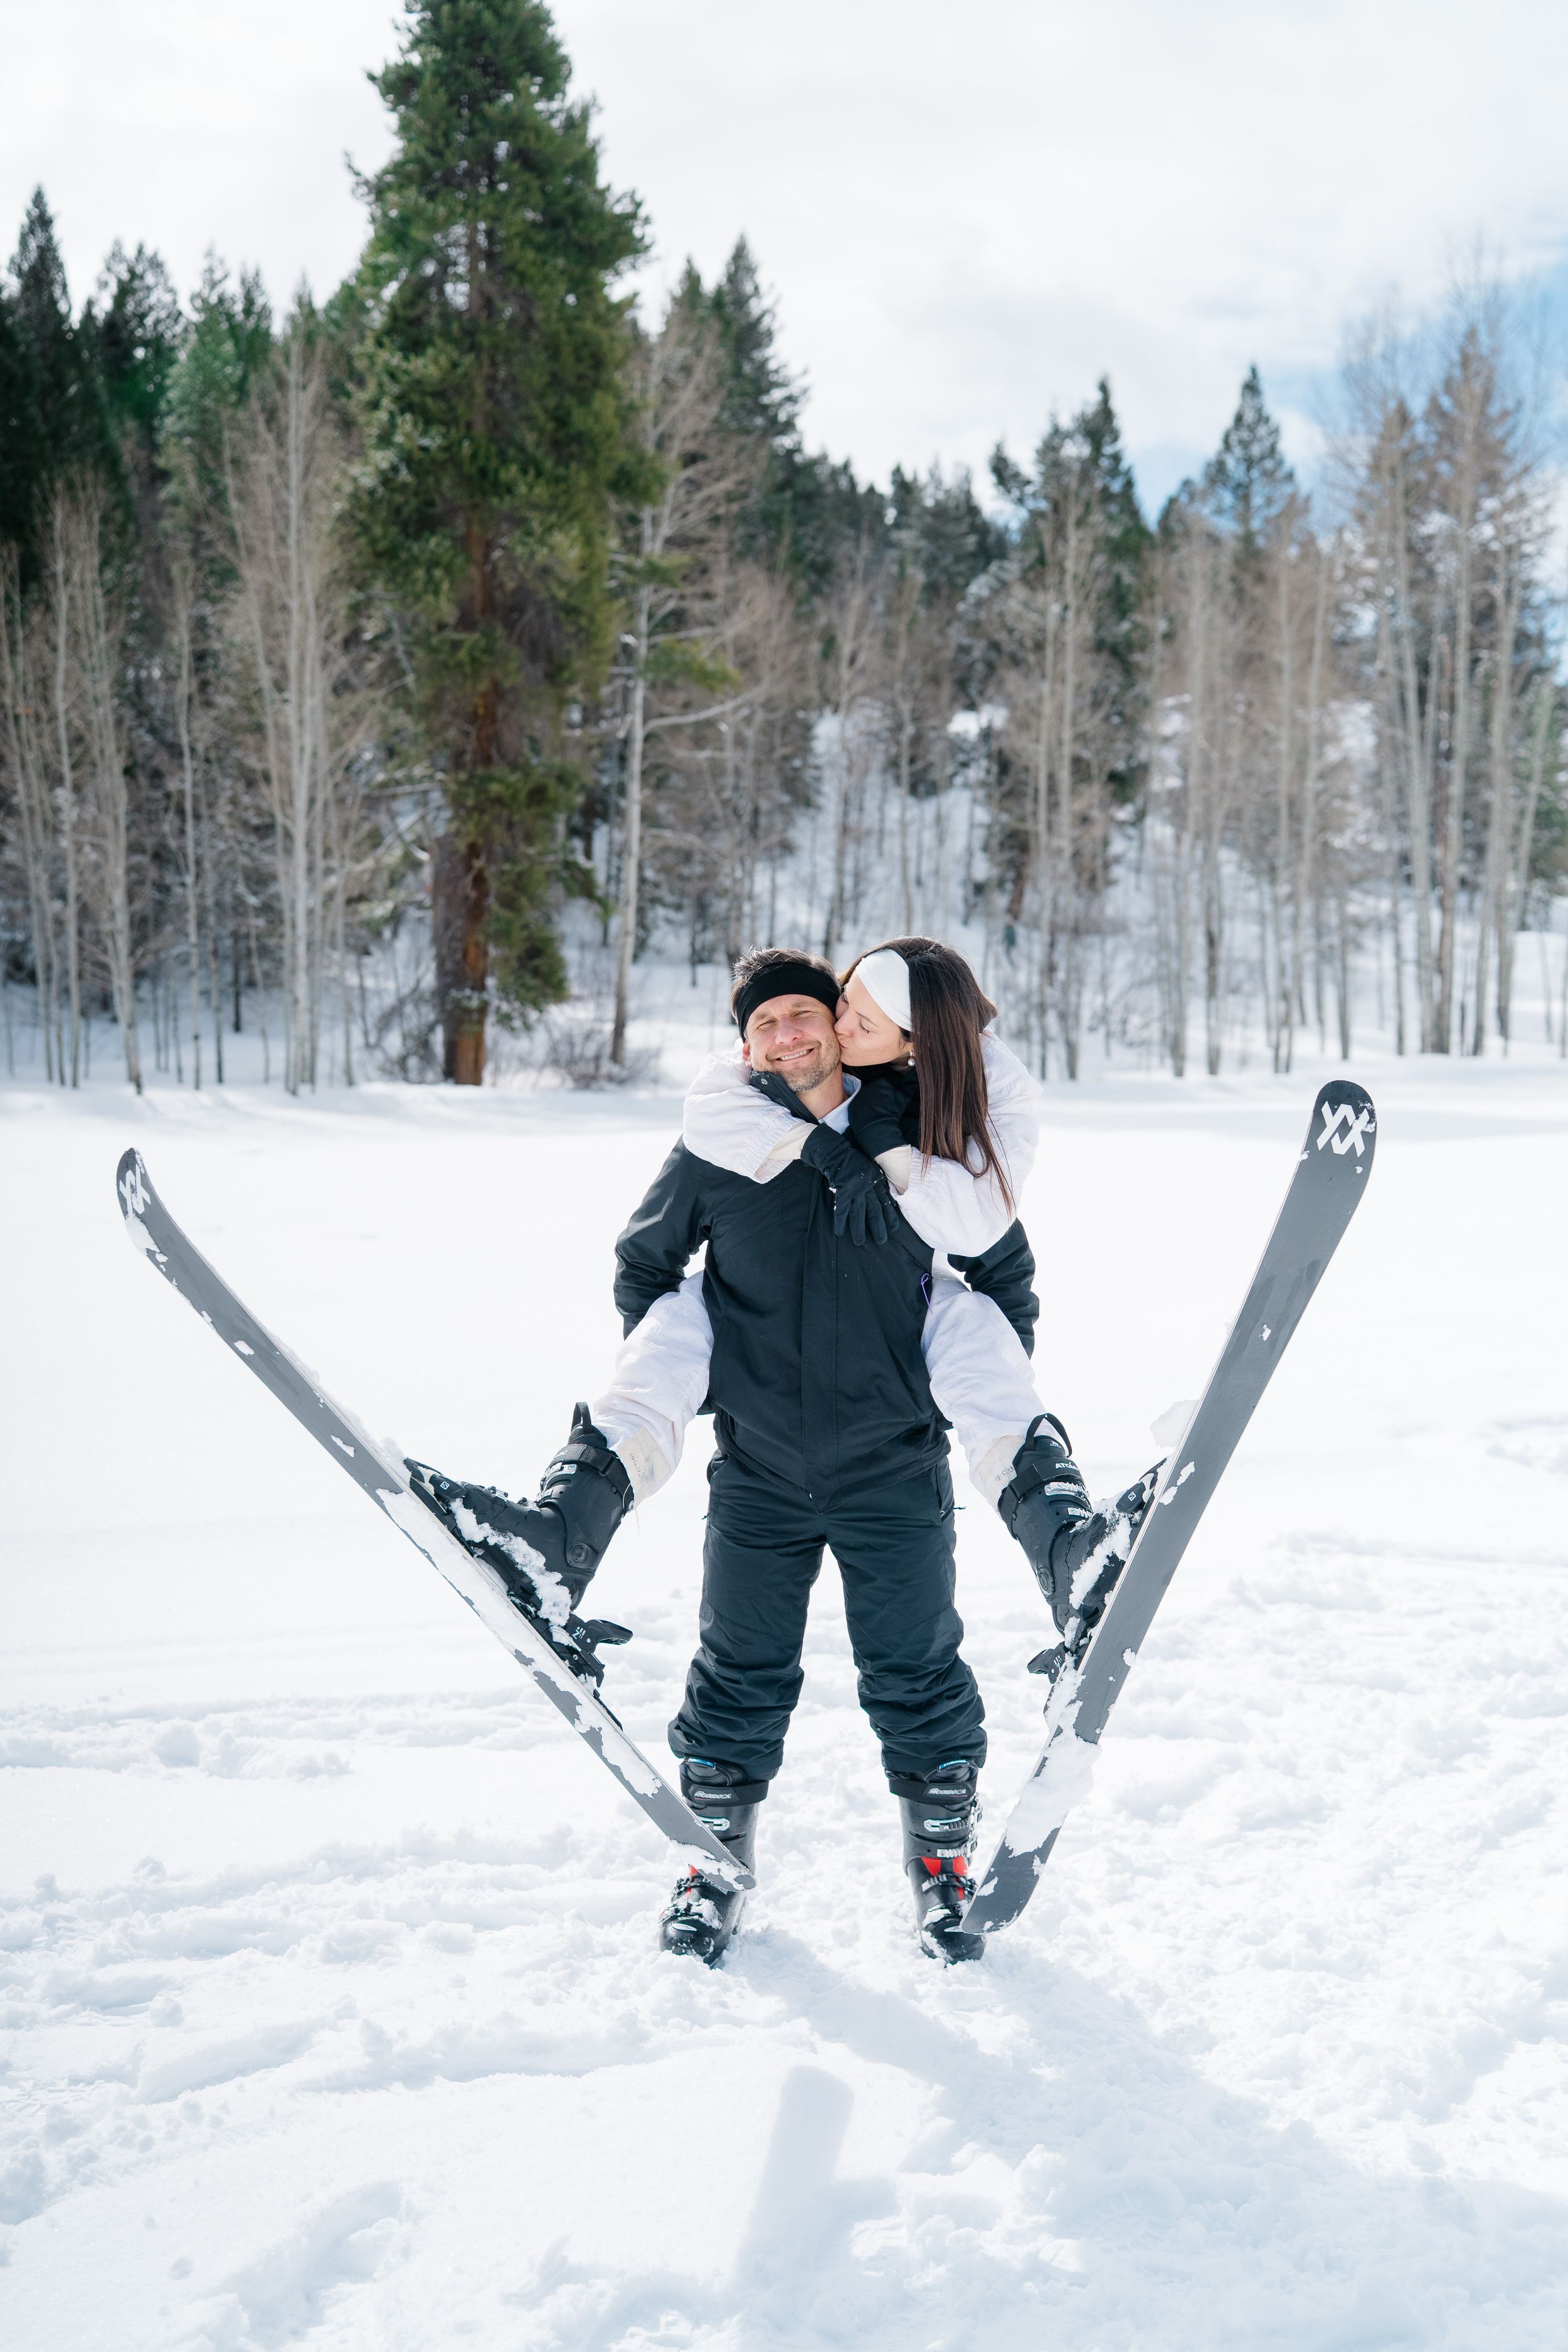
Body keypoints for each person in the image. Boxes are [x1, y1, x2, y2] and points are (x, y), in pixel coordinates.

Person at [415, 945, 1142, 1965]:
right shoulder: (719, 1143)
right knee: (737, 1674)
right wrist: (725, 1370)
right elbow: (644, 1265)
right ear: (745, 1043)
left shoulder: (914, 1136)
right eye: (764, 1025)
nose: (788, 1035)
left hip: (894, 1467)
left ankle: (943, 1865)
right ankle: (711, 1857)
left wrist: (939, 1389)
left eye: (806, 1015)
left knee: (918, 1672)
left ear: (843, 1030)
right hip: (759, 1471)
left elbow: (1003, 1269)